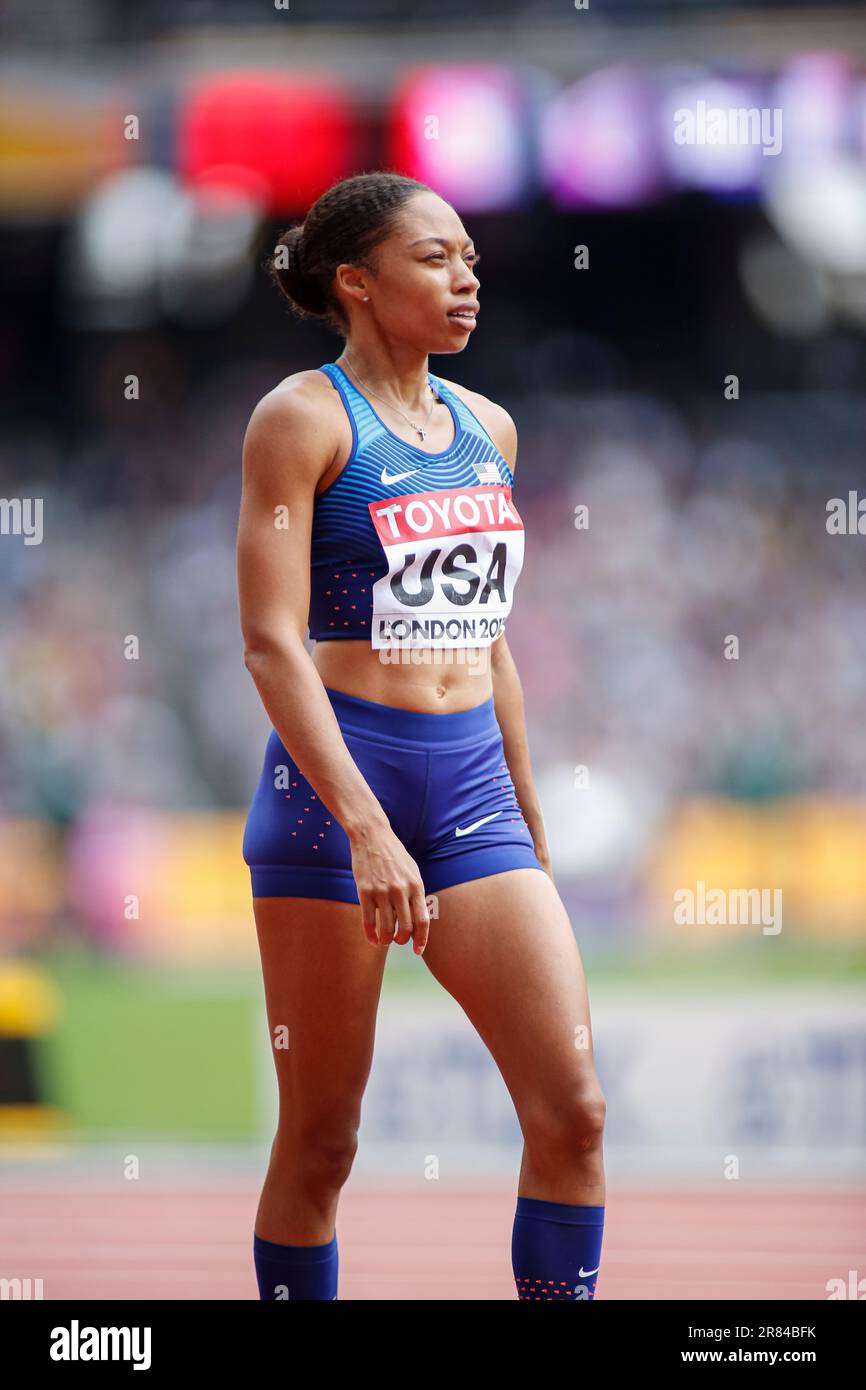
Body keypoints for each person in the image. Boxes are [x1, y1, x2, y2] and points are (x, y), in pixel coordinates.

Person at [237, 171, 606, 1300]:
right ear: (356, 281)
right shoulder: (301, 417)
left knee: (574, 1112)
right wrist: (362, 823)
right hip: (332, 795)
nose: (466, 278)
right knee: (322, 1143)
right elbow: (270, 642)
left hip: (471, 793)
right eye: (436, 258)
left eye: (471, 261)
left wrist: (526, 798)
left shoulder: (486, 426)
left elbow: (488, 639)